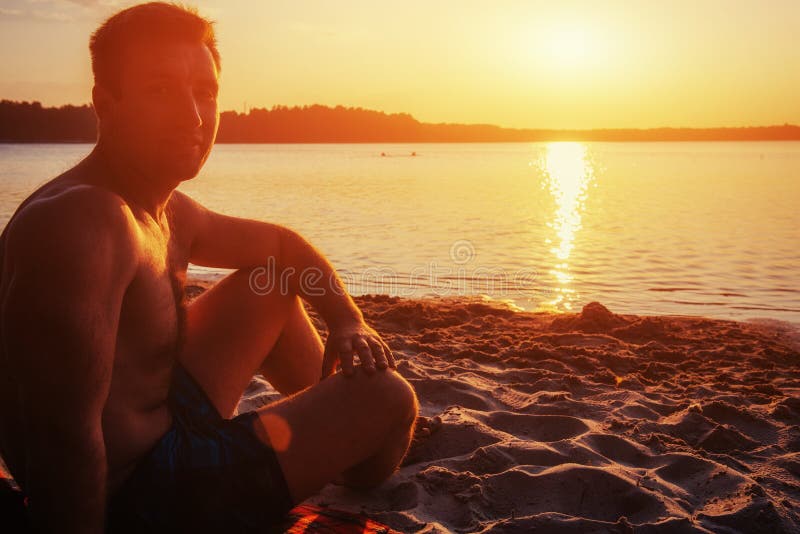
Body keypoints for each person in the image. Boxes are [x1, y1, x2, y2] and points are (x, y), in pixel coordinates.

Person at [0, 2, 418, 532]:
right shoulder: (85, 219)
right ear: (106, 104)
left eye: (206, 92)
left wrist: (347, 319)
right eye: (161, 91)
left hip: (166, 422)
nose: (194, 117)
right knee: (389, 397)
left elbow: (285, 249)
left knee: (269, 282)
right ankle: (361, 444)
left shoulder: (164, 207)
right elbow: (62, 438)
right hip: (139, 492)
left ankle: (336, 416)